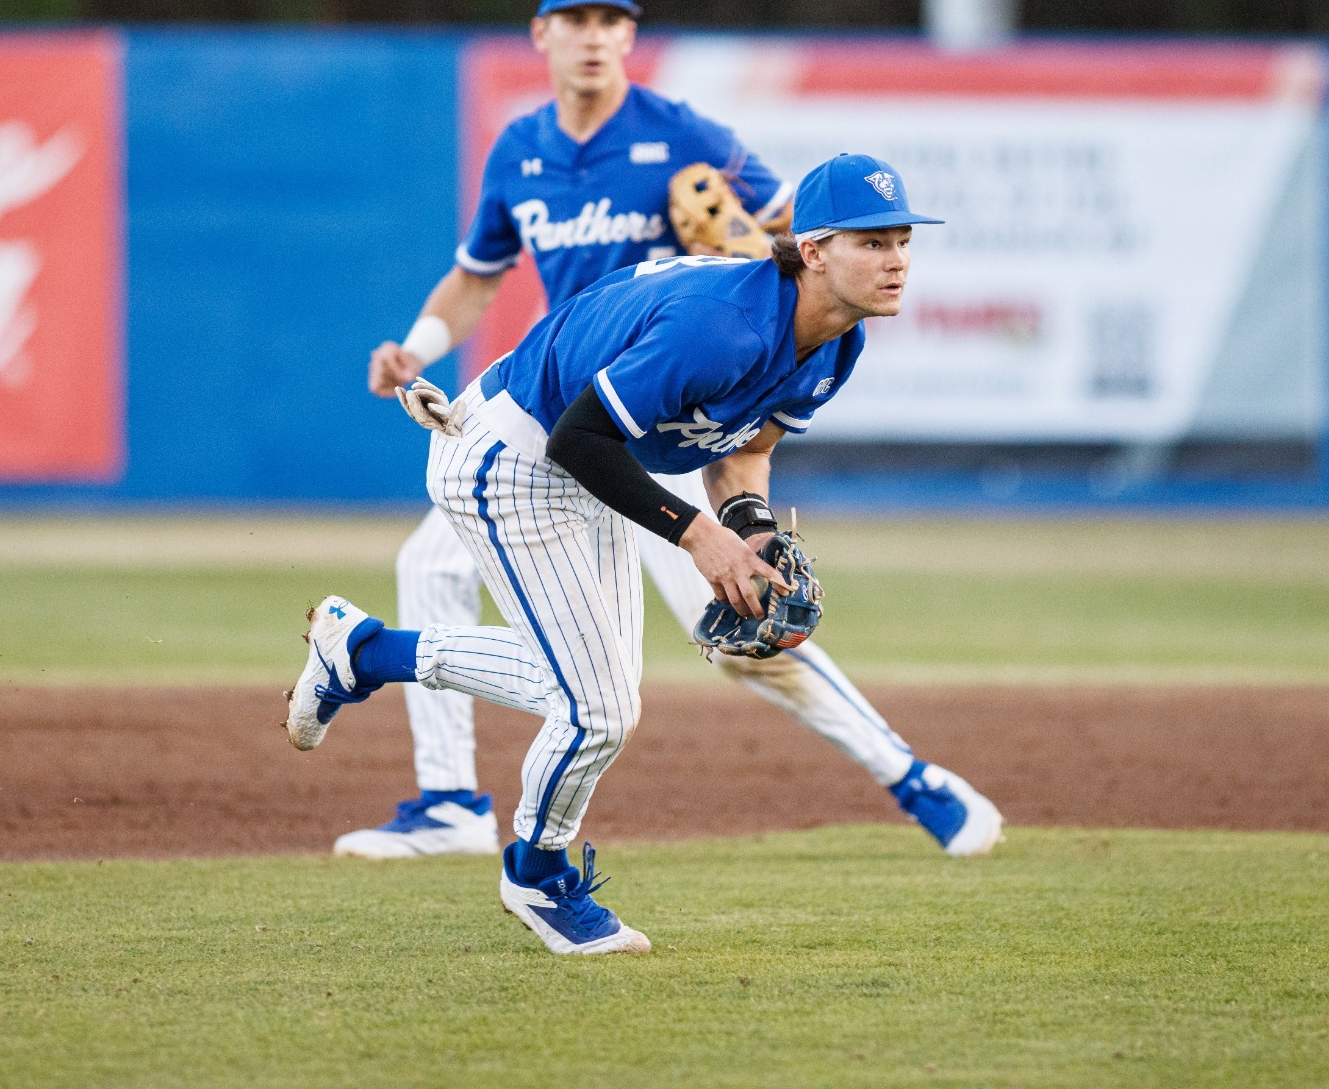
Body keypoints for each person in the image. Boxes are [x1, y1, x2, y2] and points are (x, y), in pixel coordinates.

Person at [341, 0, 1002, 862]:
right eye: (575, 19)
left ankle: (908, 773)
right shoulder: (520, 150)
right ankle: (450, 798)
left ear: (632, 35)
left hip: (681, 412)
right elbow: (476, 276)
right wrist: (416, 349)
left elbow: (795, 241)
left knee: (739, 629)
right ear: (542, 34)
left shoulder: (684, 134)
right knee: (432, 565)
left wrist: (735, 239)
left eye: (614, 19)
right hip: (562, 410)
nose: (595, 36)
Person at [285, 154, 953, 955]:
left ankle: (362, 651)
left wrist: (750, 523)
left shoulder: (836, 342)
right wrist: (700, 535)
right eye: (871, 242)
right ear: (812, 251)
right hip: (514, 452)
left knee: (592, 694)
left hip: (580, 459)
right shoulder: (723, 325)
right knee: (597, 707)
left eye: (903, 240)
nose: (896, 261)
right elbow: (580, 437)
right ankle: (536, 873)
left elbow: (745, 447)